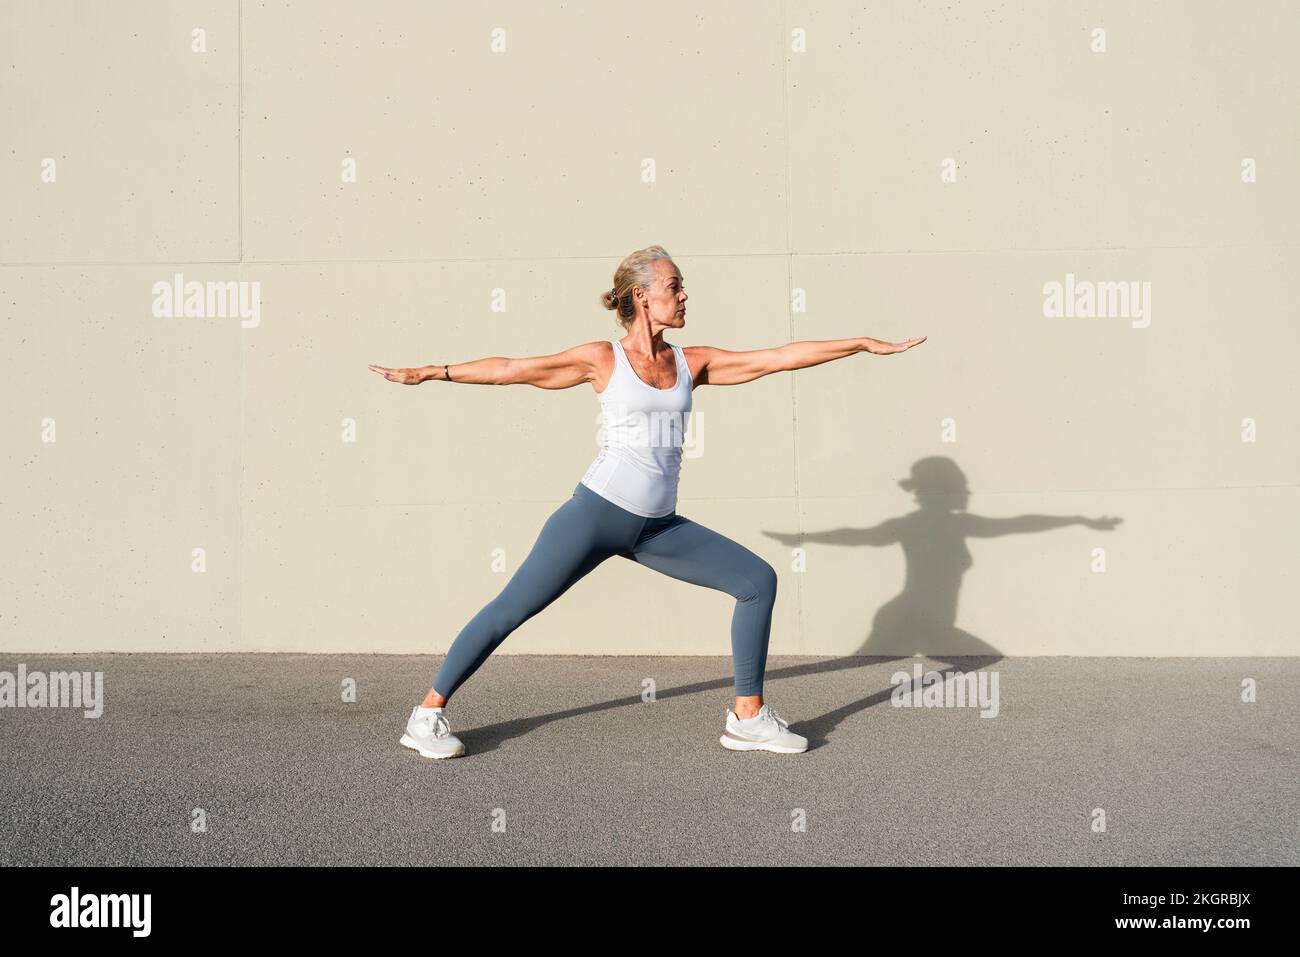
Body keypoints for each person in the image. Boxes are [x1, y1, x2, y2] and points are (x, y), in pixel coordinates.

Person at [368, 244, 926, 758]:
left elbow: (777, 357)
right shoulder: (601, 359)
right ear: (643, 296)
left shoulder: (692, 363)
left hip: (657, 528)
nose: (684, 295)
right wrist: (435, 372)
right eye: (675, 286)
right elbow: (512, 370)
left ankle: (748, 718)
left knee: (757, 581)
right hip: (594, 516)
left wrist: (857, 344)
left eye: (682, 287)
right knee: (512, 609)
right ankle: (426, 716)